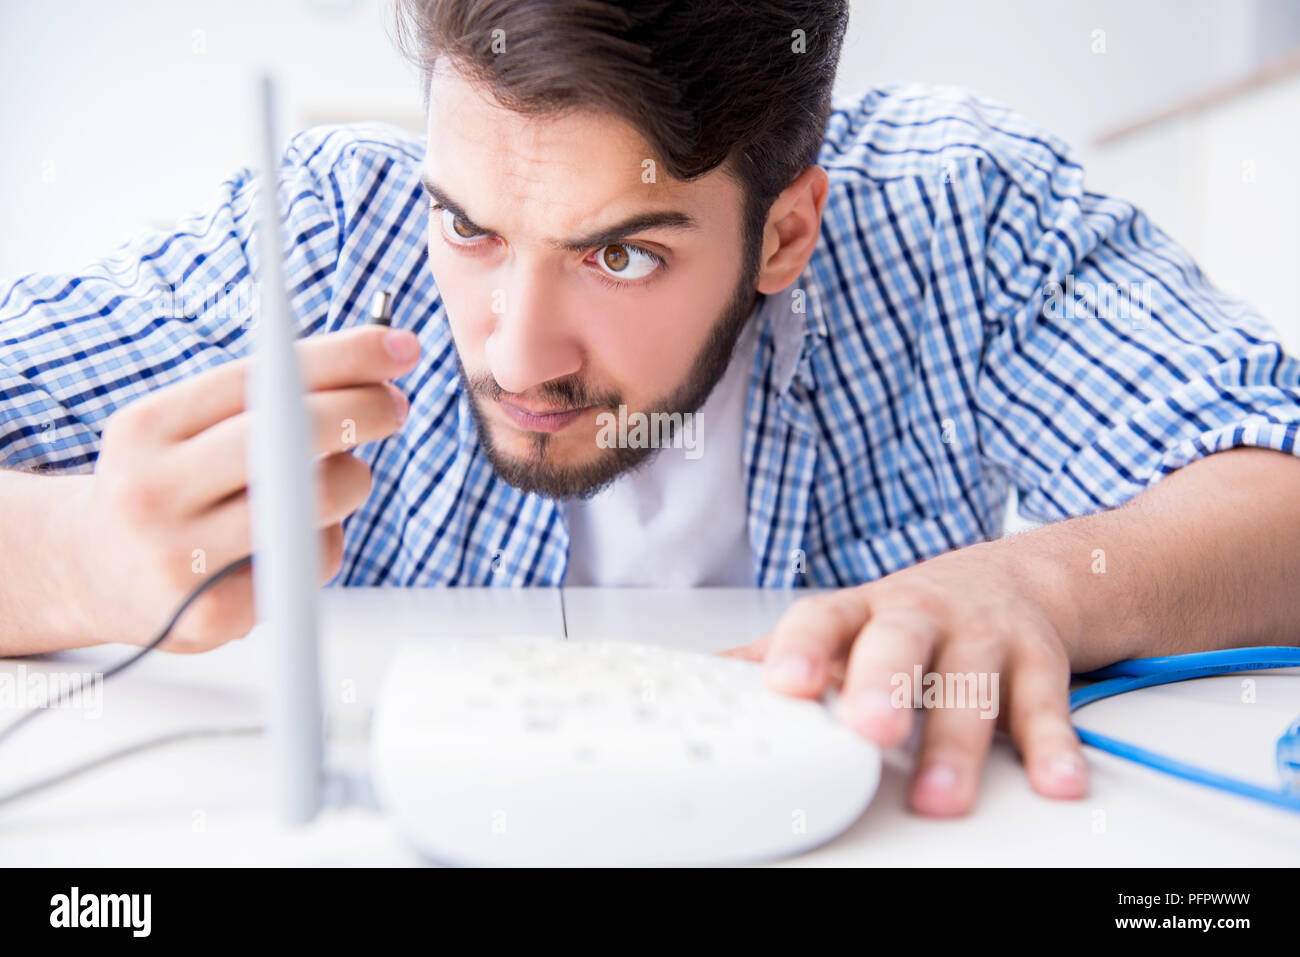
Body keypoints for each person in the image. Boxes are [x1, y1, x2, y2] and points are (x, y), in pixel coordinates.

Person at [1, 0, 1297, 817]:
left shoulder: (967, 212)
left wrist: (1048, 586)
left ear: (787, 232)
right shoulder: (332, 232)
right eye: (468, 224)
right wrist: (73, 560)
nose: (512, 354)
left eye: (620, 253)